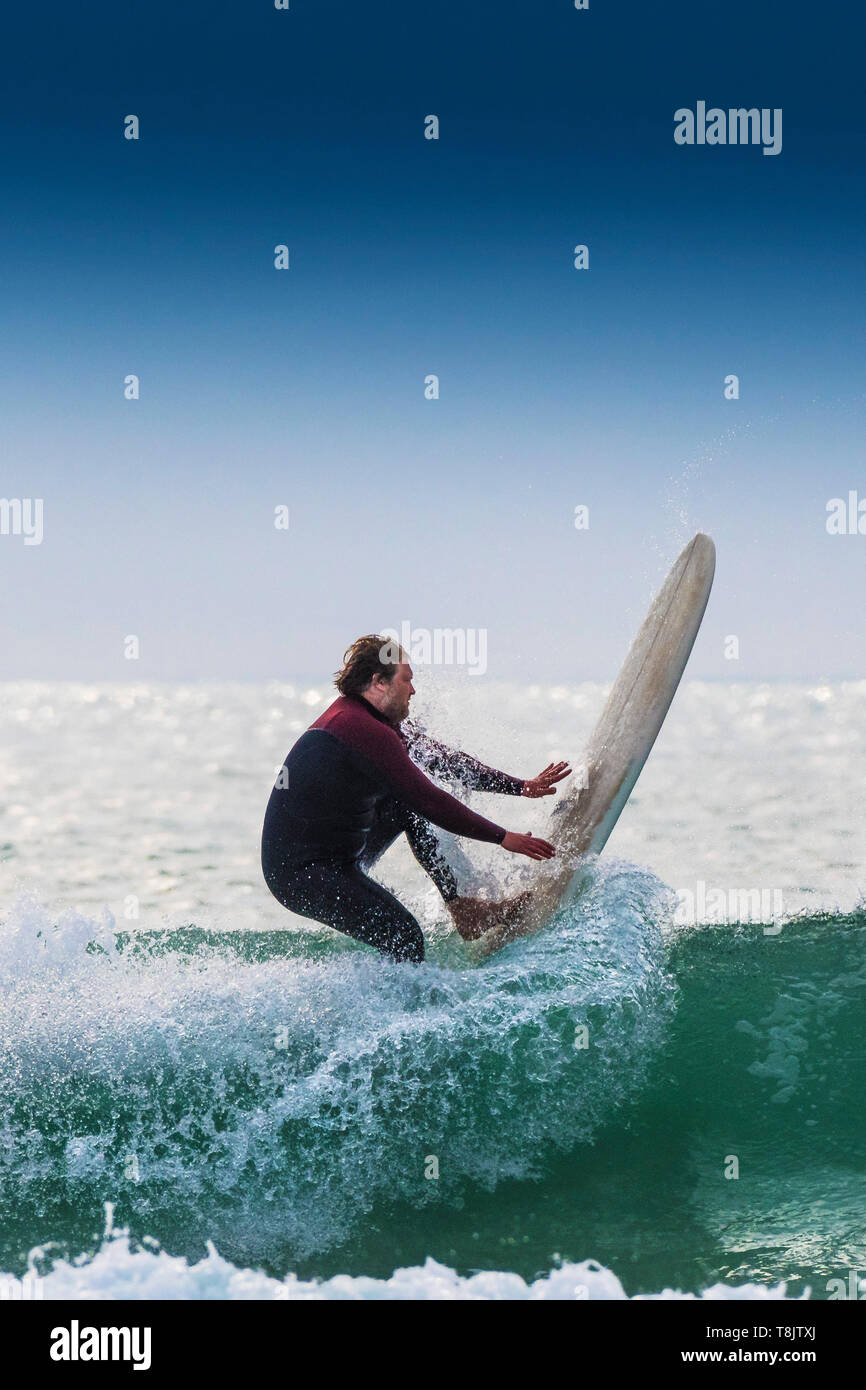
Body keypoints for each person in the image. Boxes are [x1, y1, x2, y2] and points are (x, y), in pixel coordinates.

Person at [261, 635, 571, 962]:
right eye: (406, 679)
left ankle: (465, 911)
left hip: (339, 852)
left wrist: (521, 786)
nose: (413, 690)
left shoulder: (376, 724)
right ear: (379, 683)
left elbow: (443, 761)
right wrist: (502, 837)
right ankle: (406, 1008)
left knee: (402, 801)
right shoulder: (359, 729)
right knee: (405, 936)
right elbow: (430, 801)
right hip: (301, 873)